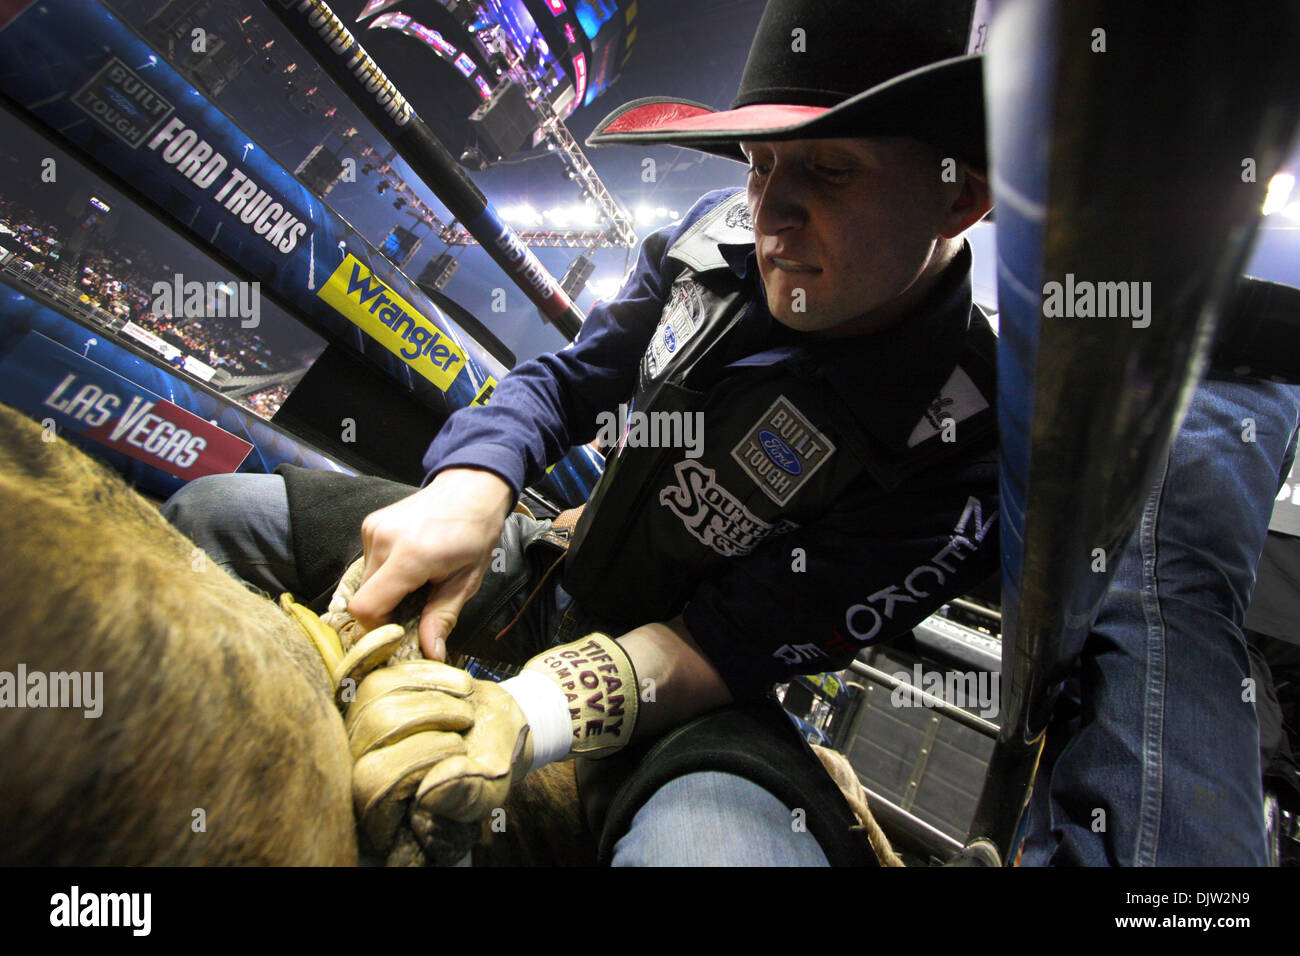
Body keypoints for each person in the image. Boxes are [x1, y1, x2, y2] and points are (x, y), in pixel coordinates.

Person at [164, 0, 998, 865]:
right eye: (759, 162)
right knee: (217, 515)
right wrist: (470, 488)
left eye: (828, 170)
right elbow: (565, 383)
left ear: (957, 198)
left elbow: (734, 640)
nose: (770, 212)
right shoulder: (709, 235)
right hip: (549, 573)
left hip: (698, 700)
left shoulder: (965, 442)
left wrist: (524, 714)